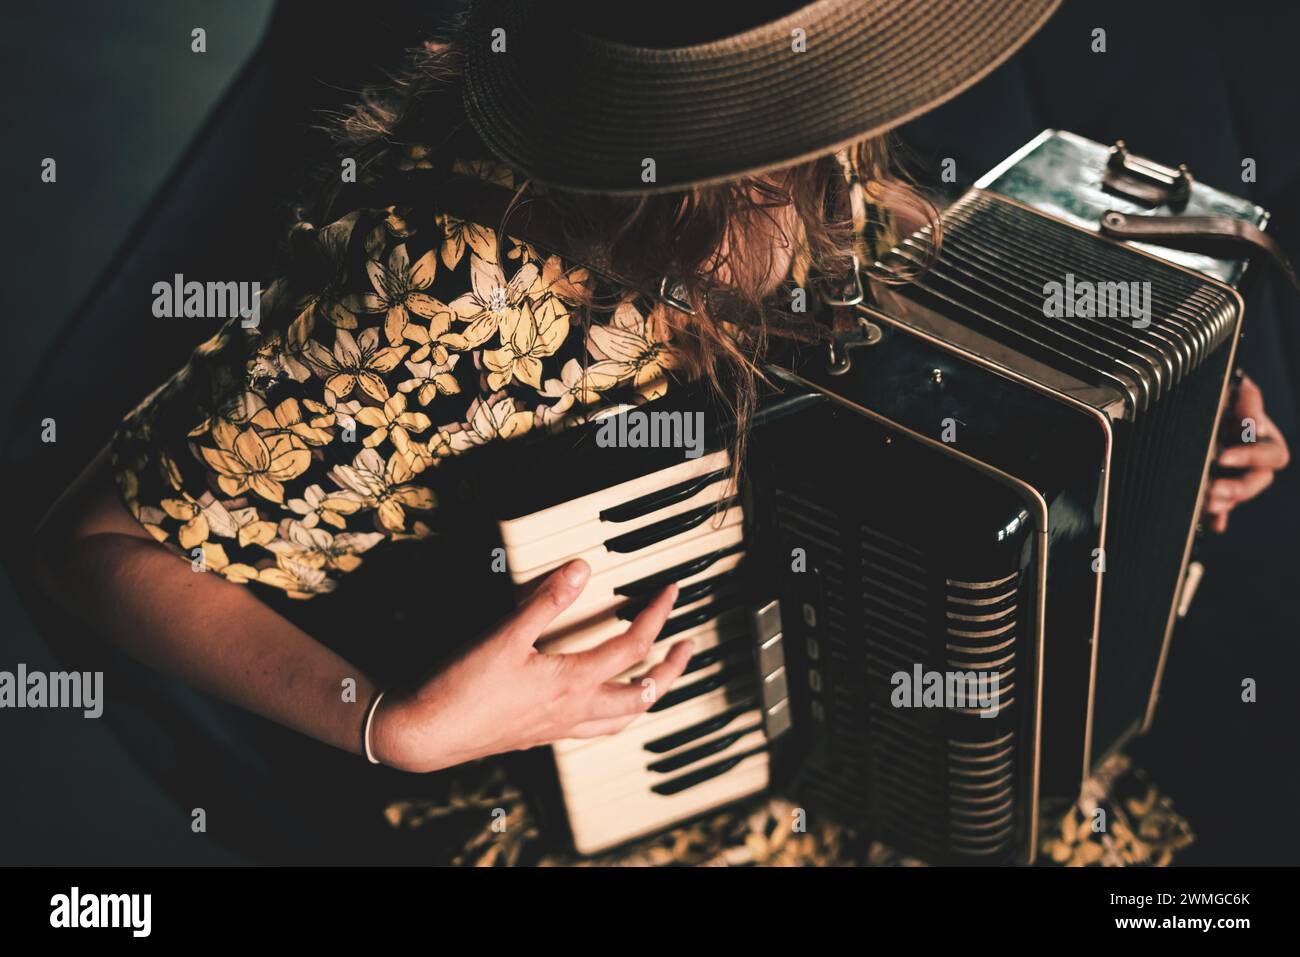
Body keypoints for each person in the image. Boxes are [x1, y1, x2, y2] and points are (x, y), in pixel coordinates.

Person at [30, 0, 1286, 864]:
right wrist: (396, 727)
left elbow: (890, 346)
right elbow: (88, 547)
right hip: (645, 796)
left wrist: (1140, 453)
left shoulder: (816, 119)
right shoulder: (452, 282)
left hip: (885, 712)